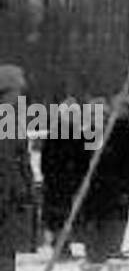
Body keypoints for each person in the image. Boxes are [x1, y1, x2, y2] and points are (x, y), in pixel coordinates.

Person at [82, 96, 129, 268]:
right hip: (93, 184)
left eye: (104, 114)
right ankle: (94, 253)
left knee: (110, 218)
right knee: (94, 219)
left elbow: (121, 158)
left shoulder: (113, 132)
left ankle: (111, 249)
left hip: (111, 183)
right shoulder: (88, 133)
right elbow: (83, 160)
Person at [39, 95, 89, 259]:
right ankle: (61, 247)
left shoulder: (78, 134)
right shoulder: (55, 133)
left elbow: (84, 159)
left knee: (67, 216)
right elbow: (46, 161)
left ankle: (64, 246)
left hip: (71, 182)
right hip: (58, 183)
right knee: (59, 217)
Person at [0, 66, 35, 271]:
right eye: (16, 91)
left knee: (8, 245)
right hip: (5, 192)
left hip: (10, 190)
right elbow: (7, 159)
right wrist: (19, 186)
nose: (20, 95)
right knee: (4, 245)